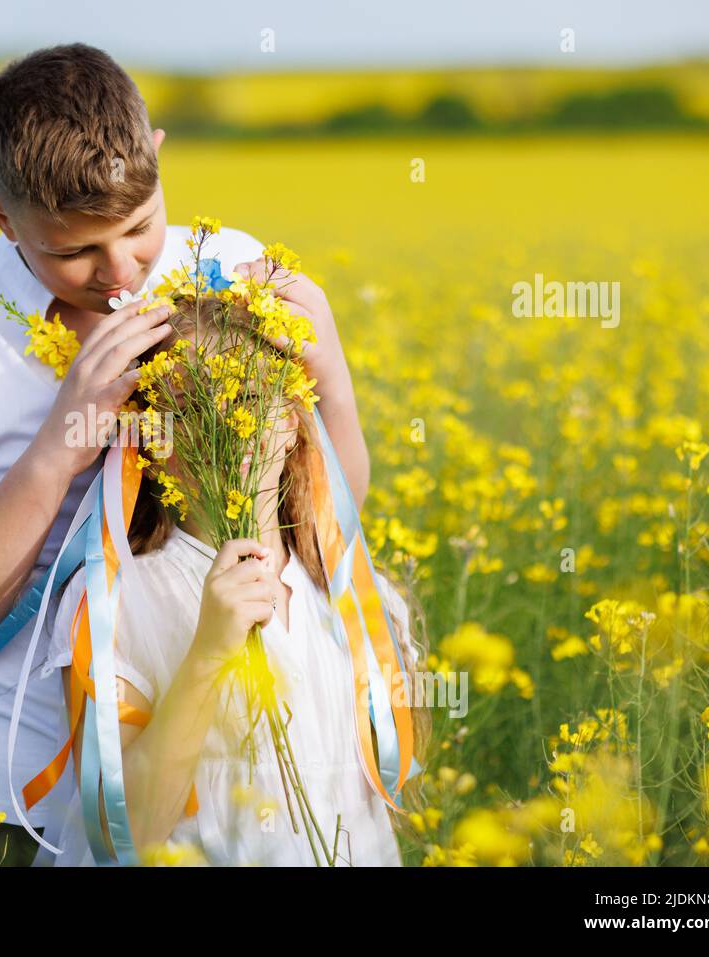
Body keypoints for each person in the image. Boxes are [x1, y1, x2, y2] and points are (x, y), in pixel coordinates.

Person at [0, 43, 371, 864]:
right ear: (0, 217)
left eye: (140, 229)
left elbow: (321, 529)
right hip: (19, 808)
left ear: (159, 158)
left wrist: (334, 384)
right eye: (73, 252)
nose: (121, 273)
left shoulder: (230, 269)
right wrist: (60, 443)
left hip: (239, 795)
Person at [39, 295, 428, 866]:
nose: (226, 429)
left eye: (245, 398)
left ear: (293, 418)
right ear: (151, 442)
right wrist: (208, 653)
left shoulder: (352, 590)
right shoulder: (117, 604)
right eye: (192, 410)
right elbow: (121, 833)